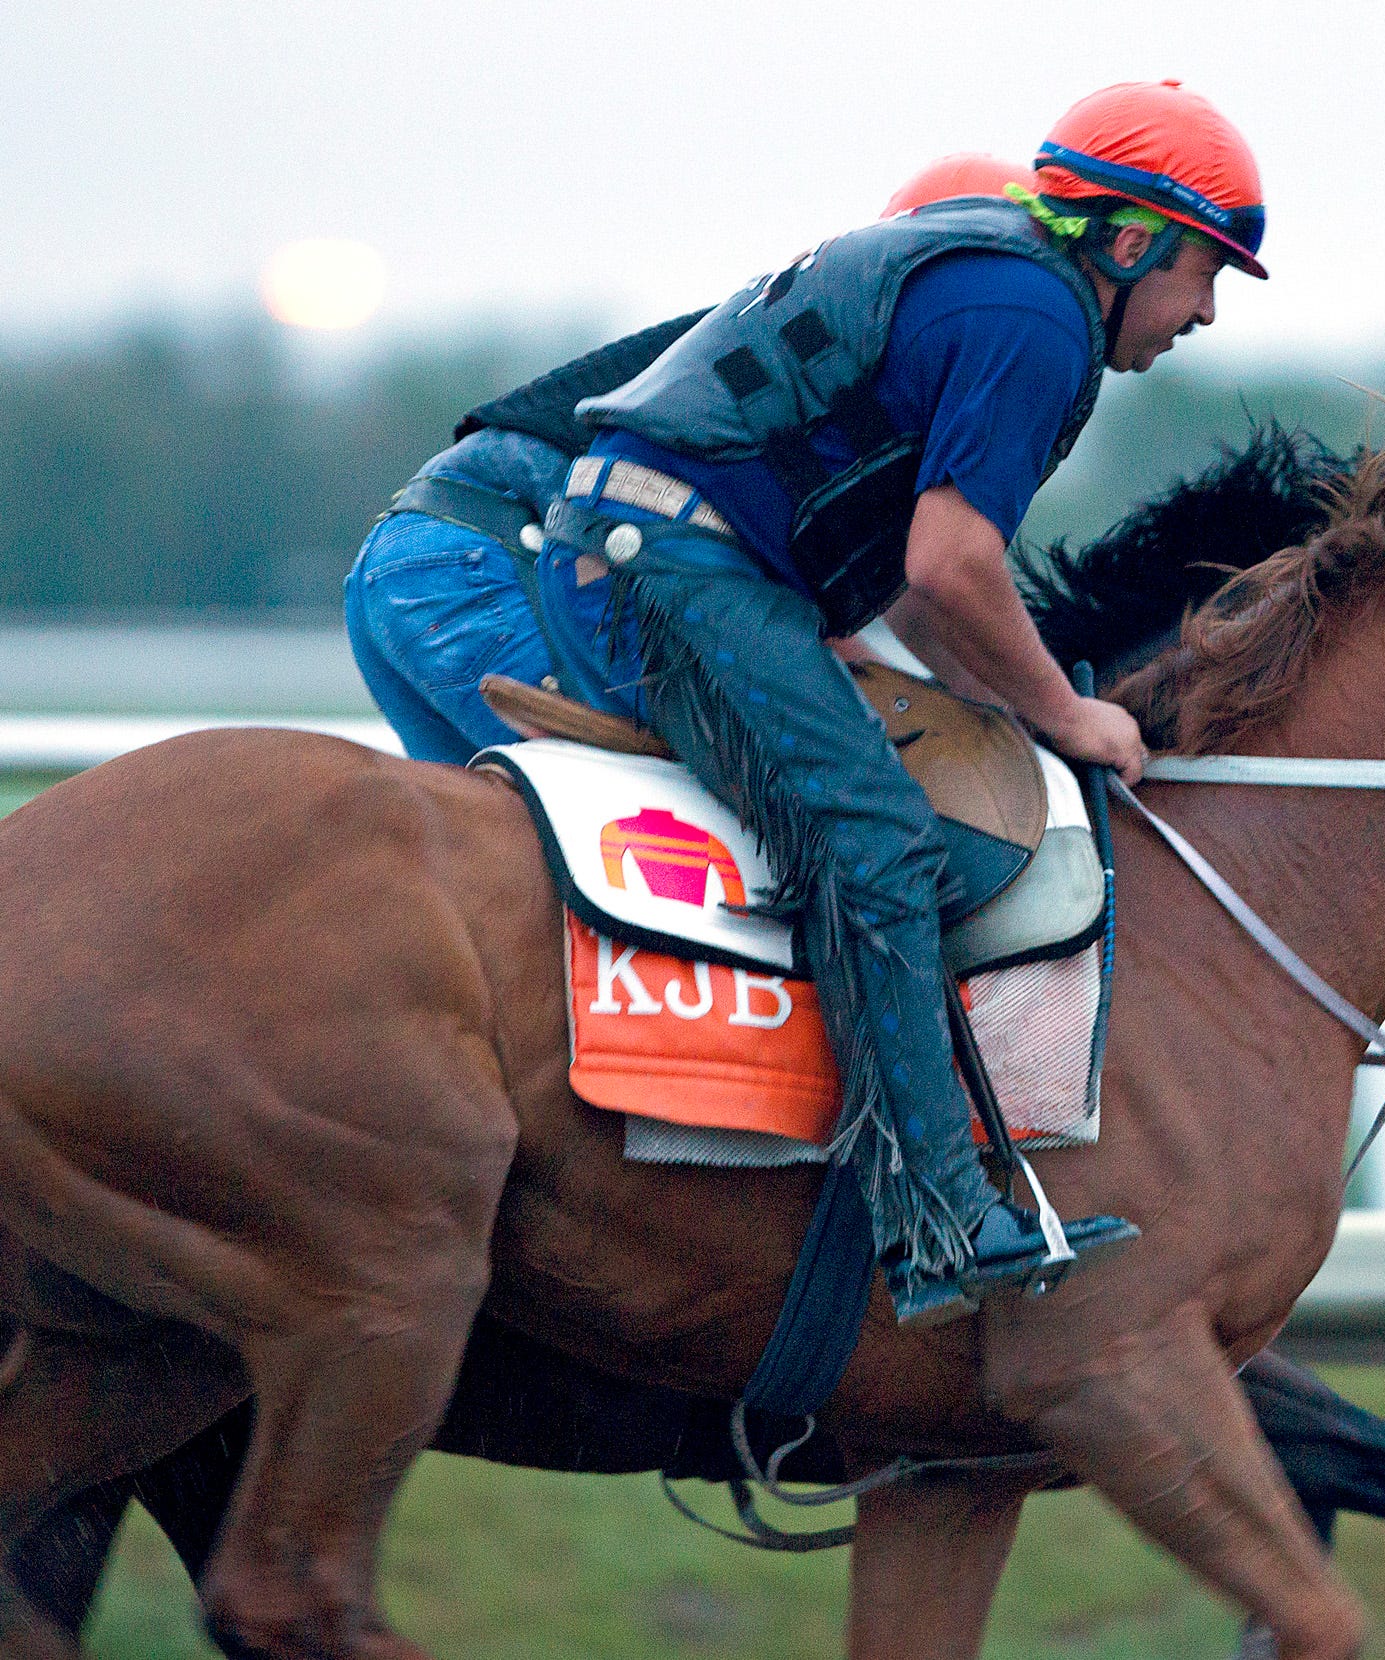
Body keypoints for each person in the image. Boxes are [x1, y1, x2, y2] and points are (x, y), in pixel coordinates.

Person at [348, 79, 1269, 1324]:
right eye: (1207, 271)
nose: (1206, 312)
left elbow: (922, 591)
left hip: (645, 545)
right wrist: (1070, 715)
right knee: (876, 837)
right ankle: (937, 1217)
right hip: (661, 563)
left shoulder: (995, 285)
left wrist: (993, 697)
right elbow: (953, 567)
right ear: (1129, 237)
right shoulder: (1037, 317)